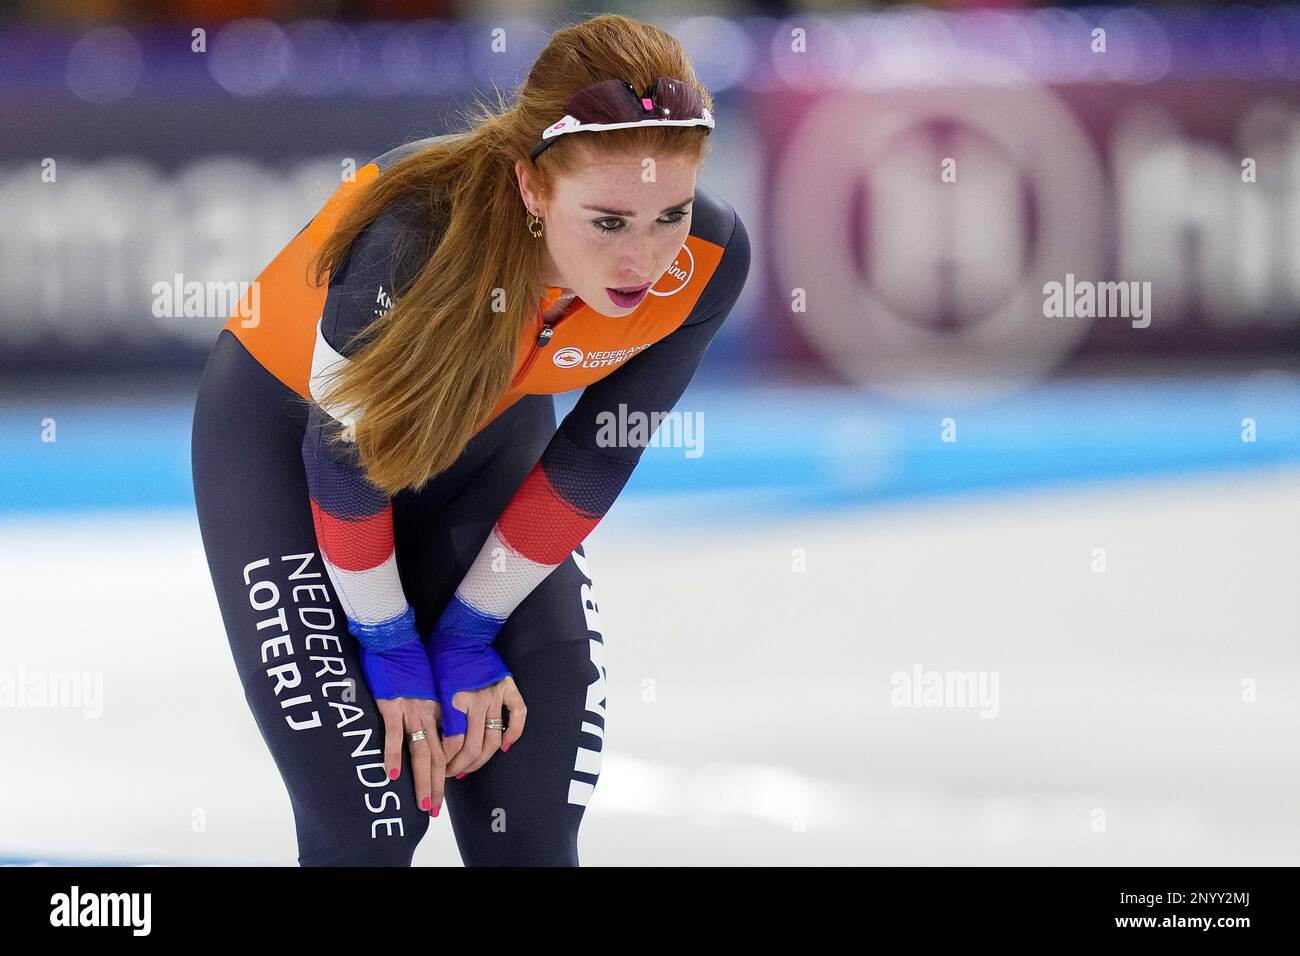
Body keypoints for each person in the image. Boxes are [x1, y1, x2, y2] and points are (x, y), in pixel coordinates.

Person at [190, 13, 750, 866]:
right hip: (288, 445)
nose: (644, 258)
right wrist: (389, 645)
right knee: (374, 817)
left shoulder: (708, 259)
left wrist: (466, 633)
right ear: (533, 189)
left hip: (484, 443)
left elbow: (594, 458)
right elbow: (344, 467)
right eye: (607, 223)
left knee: (527, 809)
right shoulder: (414, 237)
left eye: (668, 214)